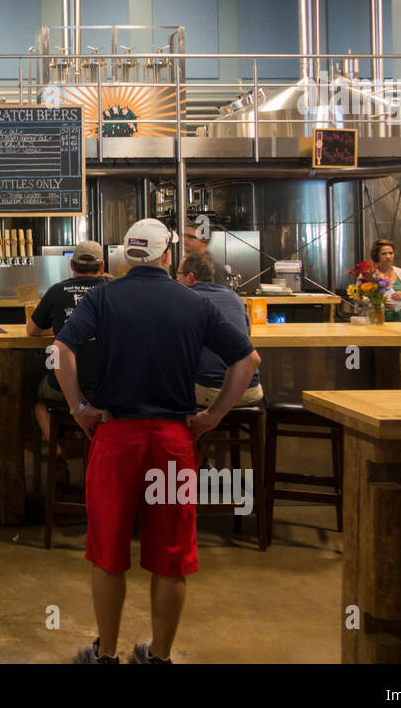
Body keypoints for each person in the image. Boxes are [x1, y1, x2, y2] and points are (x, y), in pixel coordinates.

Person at [54, 219, 260, 665]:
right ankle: (159, 656)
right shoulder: (194, 302)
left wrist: (78, 408)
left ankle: (105, 653)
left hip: (115, 439)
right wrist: (213, 415)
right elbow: (247, 361)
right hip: (172, 441)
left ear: (127, 255)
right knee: (170, 554)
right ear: (168, 255)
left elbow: (62, 351)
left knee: (108, 552)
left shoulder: (102, 297)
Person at [27, 240, 108, 483]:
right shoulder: (115, 289)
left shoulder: (57, 291)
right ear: (103, 265)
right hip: (107, 389)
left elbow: (32, 330)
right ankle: (99, 456)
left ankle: (58, 454)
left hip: (65, 391)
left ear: (71, 264)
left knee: (40, 401)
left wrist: (60, 329)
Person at [176, 252, 264, 409]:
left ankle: (187, 431)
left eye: (178, 274)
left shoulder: (186, 299)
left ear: (190, 276)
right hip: (250, 388)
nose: (176, 279)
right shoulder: (233, 297)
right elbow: (247, 333)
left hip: (211, 392)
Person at [371, 238, 401, 322]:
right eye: (384, 254)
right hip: (376, 321)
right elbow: (359, 298)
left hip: (399, 320)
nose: (388, 256)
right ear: (377, 255)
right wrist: (379, 303)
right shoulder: (369, 274)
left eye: (391, 253)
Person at [183, 216, 229, 284]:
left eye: (190, 237)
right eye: (184, 236)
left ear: (205, 240)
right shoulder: (187, 263)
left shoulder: (214, 269)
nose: (185, 240)